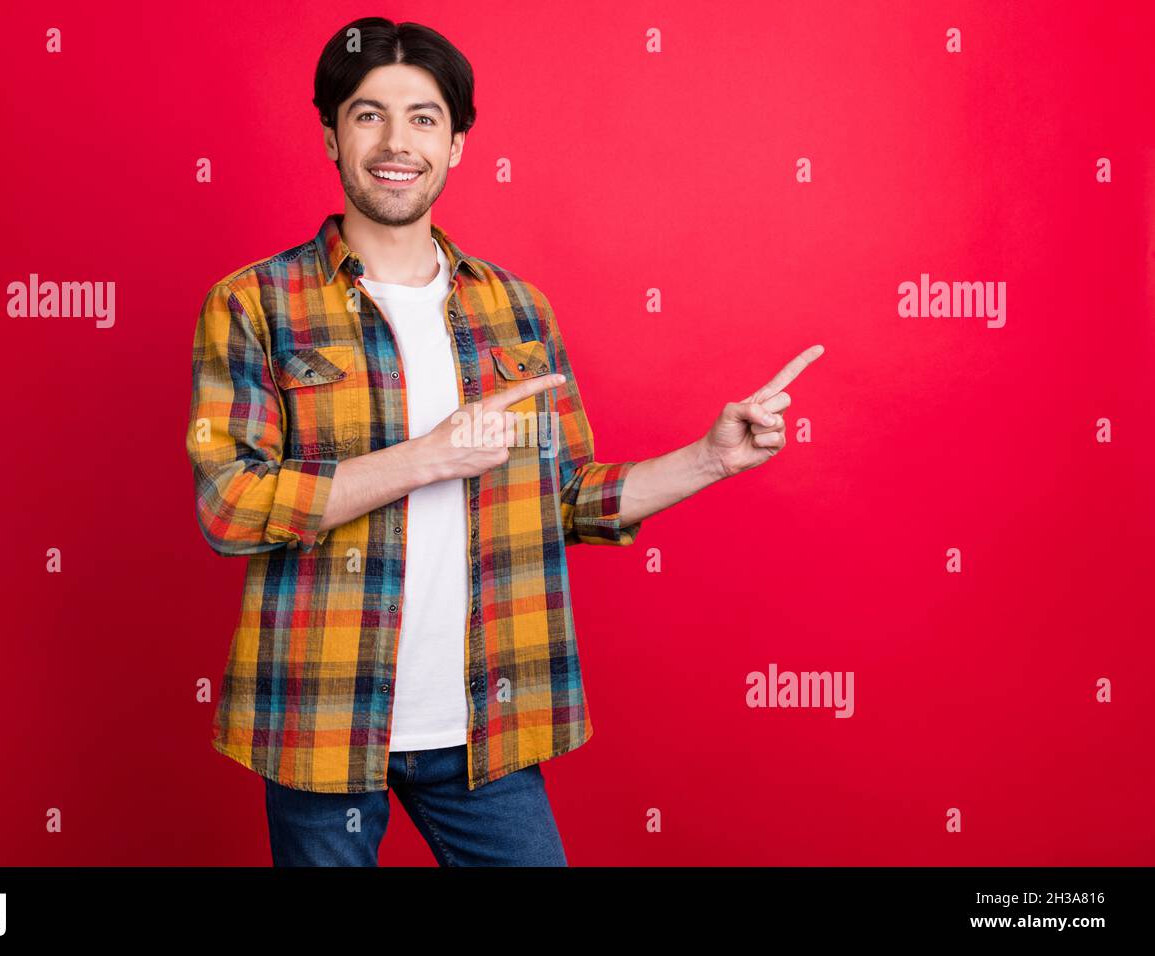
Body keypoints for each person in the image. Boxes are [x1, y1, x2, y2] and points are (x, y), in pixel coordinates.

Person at [185, 15, 824, 867]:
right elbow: (230, 507)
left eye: (424, 117)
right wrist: (429, 455)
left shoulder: (514, 309)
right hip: (322, 720)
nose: (395, 140)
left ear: (455, 145)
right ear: (332, 137)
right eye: (368, 114)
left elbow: (565, 497)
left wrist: (711, 457)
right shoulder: (254, 303)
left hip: (485, 723)